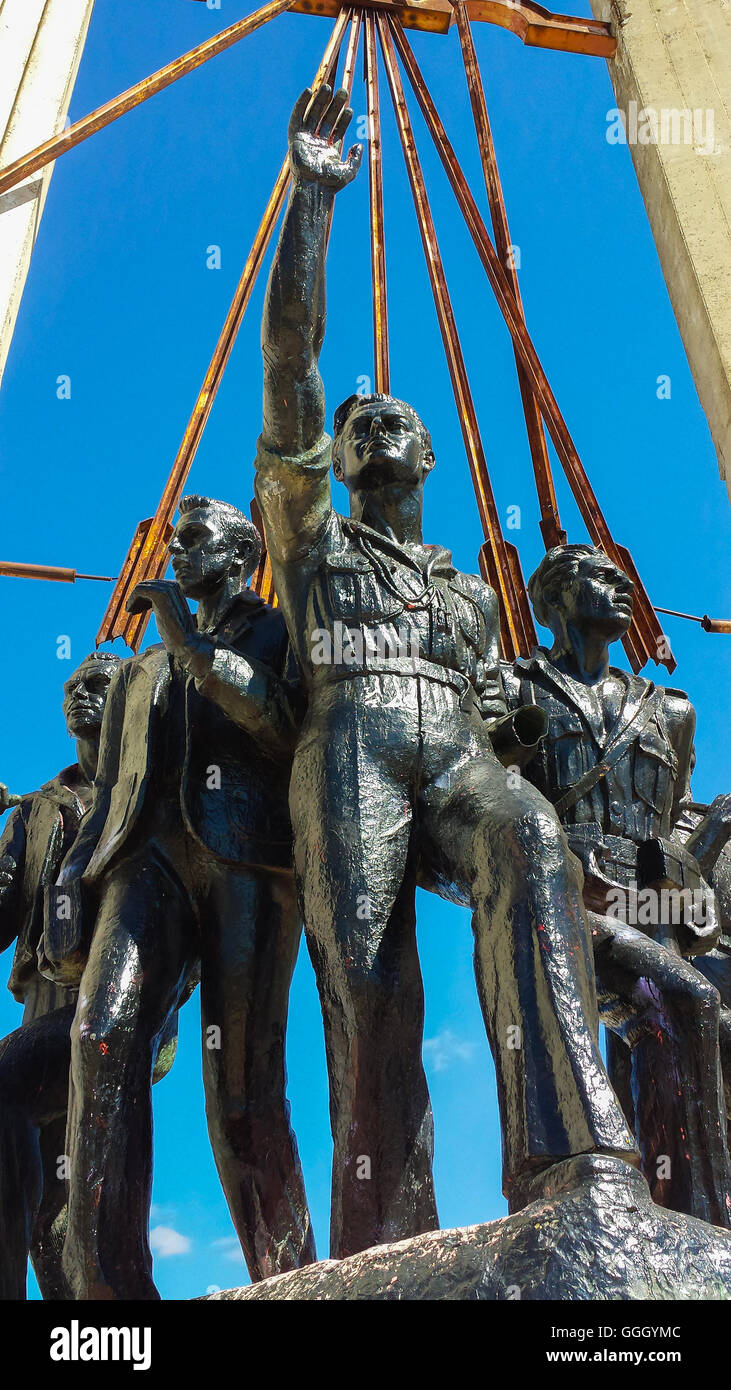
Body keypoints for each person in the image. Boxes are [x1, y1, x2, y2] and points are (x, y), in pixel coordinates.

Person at [254, 85, 643, 1261]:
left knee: (528, 839)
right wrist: (312, 203)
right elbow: (290, 360)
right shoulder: (310, 539)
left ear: (424, 455)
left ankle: (575, 1157)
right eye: (356, 420)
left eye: (392, 421)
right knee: (372, 987)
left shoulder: (471, 596)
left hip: (454, 752)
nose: (370, 425)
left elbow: (502, 722)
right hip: (349, 742)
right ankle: (389, 1232)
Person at [49, 497, 314, 1299]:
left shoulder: (279, 631)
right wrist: (71, 877)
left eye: (195, 540)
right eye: (175, 541)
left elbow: (282, 727)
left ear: (242, 552)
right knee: (98, 1039)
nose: (178, 552)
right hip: (146, 863)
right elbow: (108, 793)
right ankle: (110, 1294)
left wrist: (191, 643)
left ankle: (293, 1279)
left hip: (247, 860)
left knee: (242, 1089)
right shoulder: (136, 673)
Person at [502, 543, 731, 1227]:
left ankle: (670, 1210)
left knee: (656, 1039)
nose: (623, 587)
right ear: (553, 600)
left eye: (624, 577)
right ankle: (697, 1216)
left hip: (652, 900)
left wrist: (711, 838)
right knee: (672, 1007)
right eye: (600, 578)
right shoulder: (515, 688)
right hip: (564, 892)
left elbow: (673, 828)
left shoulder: (671, 711)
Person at [0, 651, 130, 1298]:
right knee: (49, 1213)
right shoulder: (34, 811)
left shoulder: (147, 785)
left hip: (122, 992)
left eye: (98, 685)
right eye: (72, 686)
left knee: (4, 1088)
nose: (81, 695)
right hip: (44, 1001)